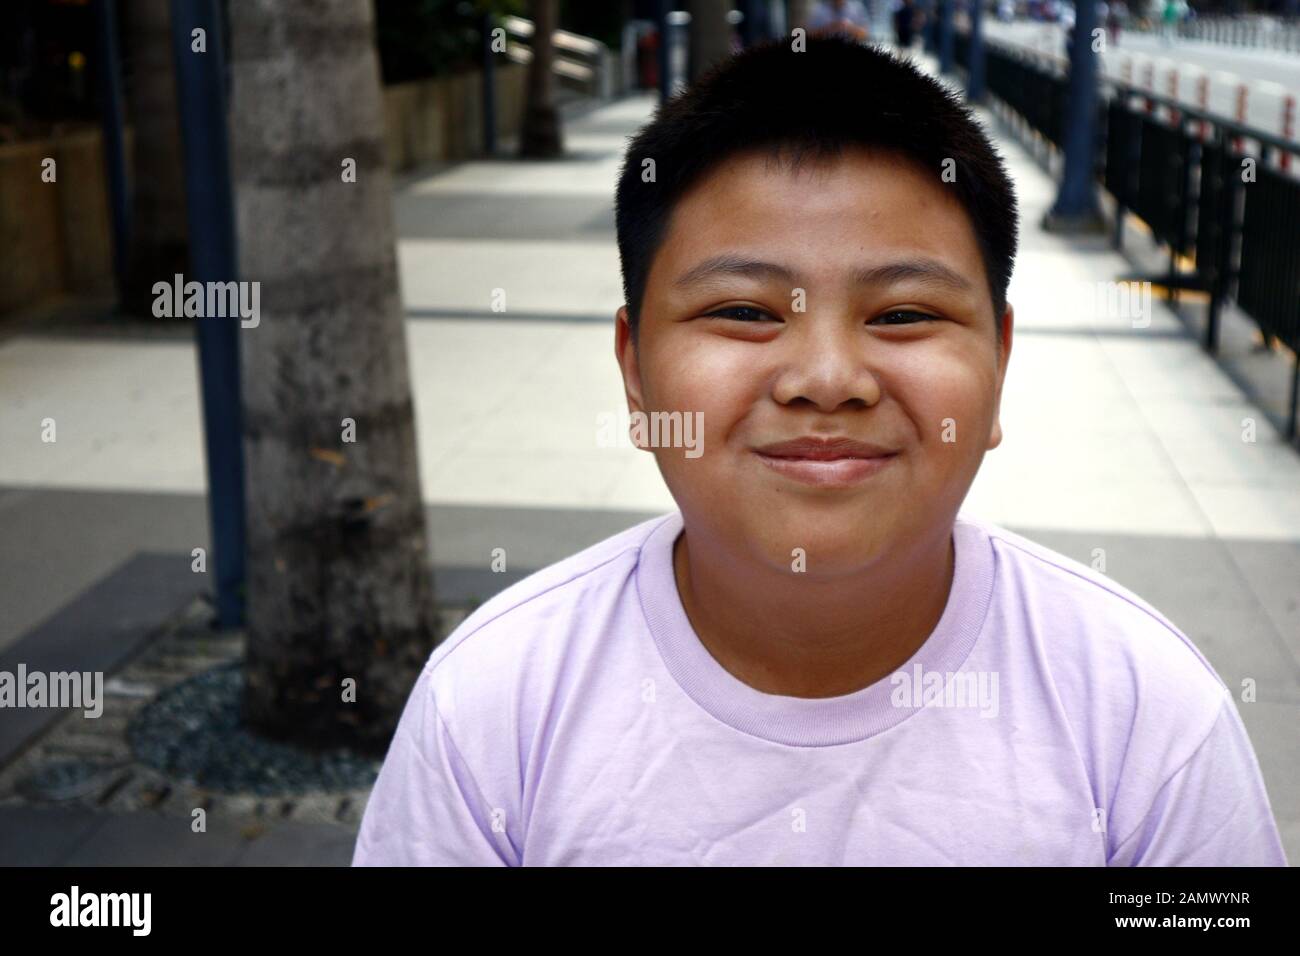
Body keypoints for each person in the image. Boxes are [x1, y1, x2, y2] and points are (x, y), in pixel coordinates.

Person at [352, 37, 1288, 867]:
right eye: (745, 312)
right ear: (635, 373)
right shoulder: (492, 709)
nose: (828, 376)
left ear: (999, 365)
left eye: (905, 314)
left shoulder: (1144, 717)